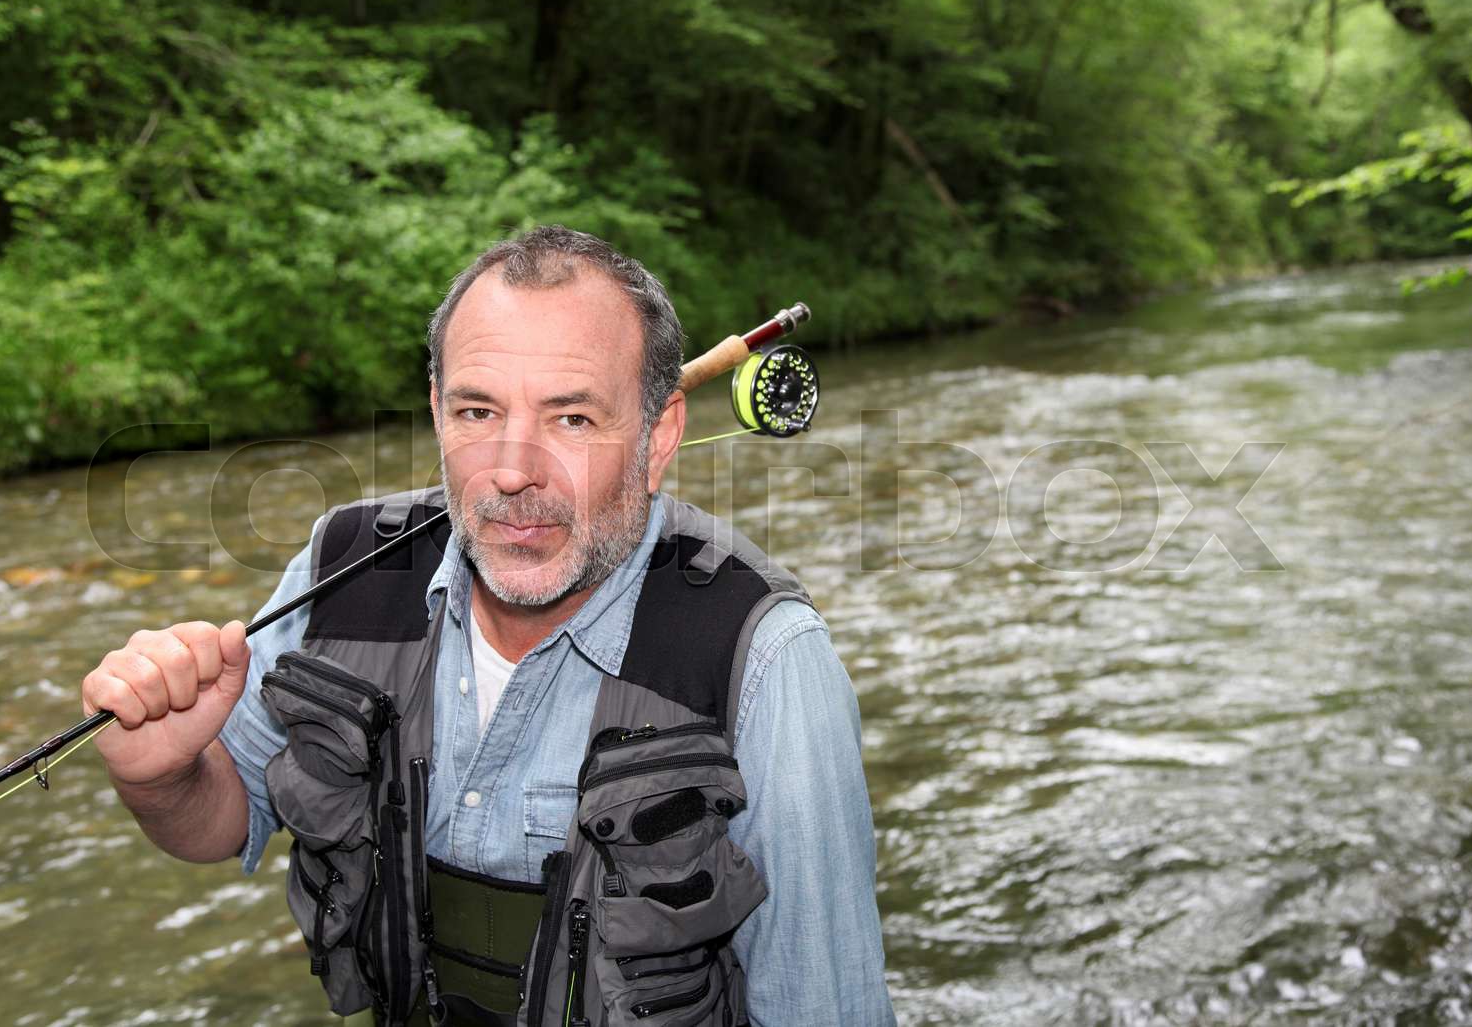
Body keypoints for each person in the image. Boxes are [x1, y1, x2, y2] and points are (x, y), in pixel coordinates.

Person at [81, 226, 895, 1026]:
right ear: (437, 410)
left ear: (661, 437)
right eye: (478, 410)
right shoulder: (340, 568)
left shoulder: (766, 659)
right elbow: (228, 817)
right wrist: (161, 778)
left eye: (572, 419)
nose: (512, 470)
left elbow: (824, 1001)